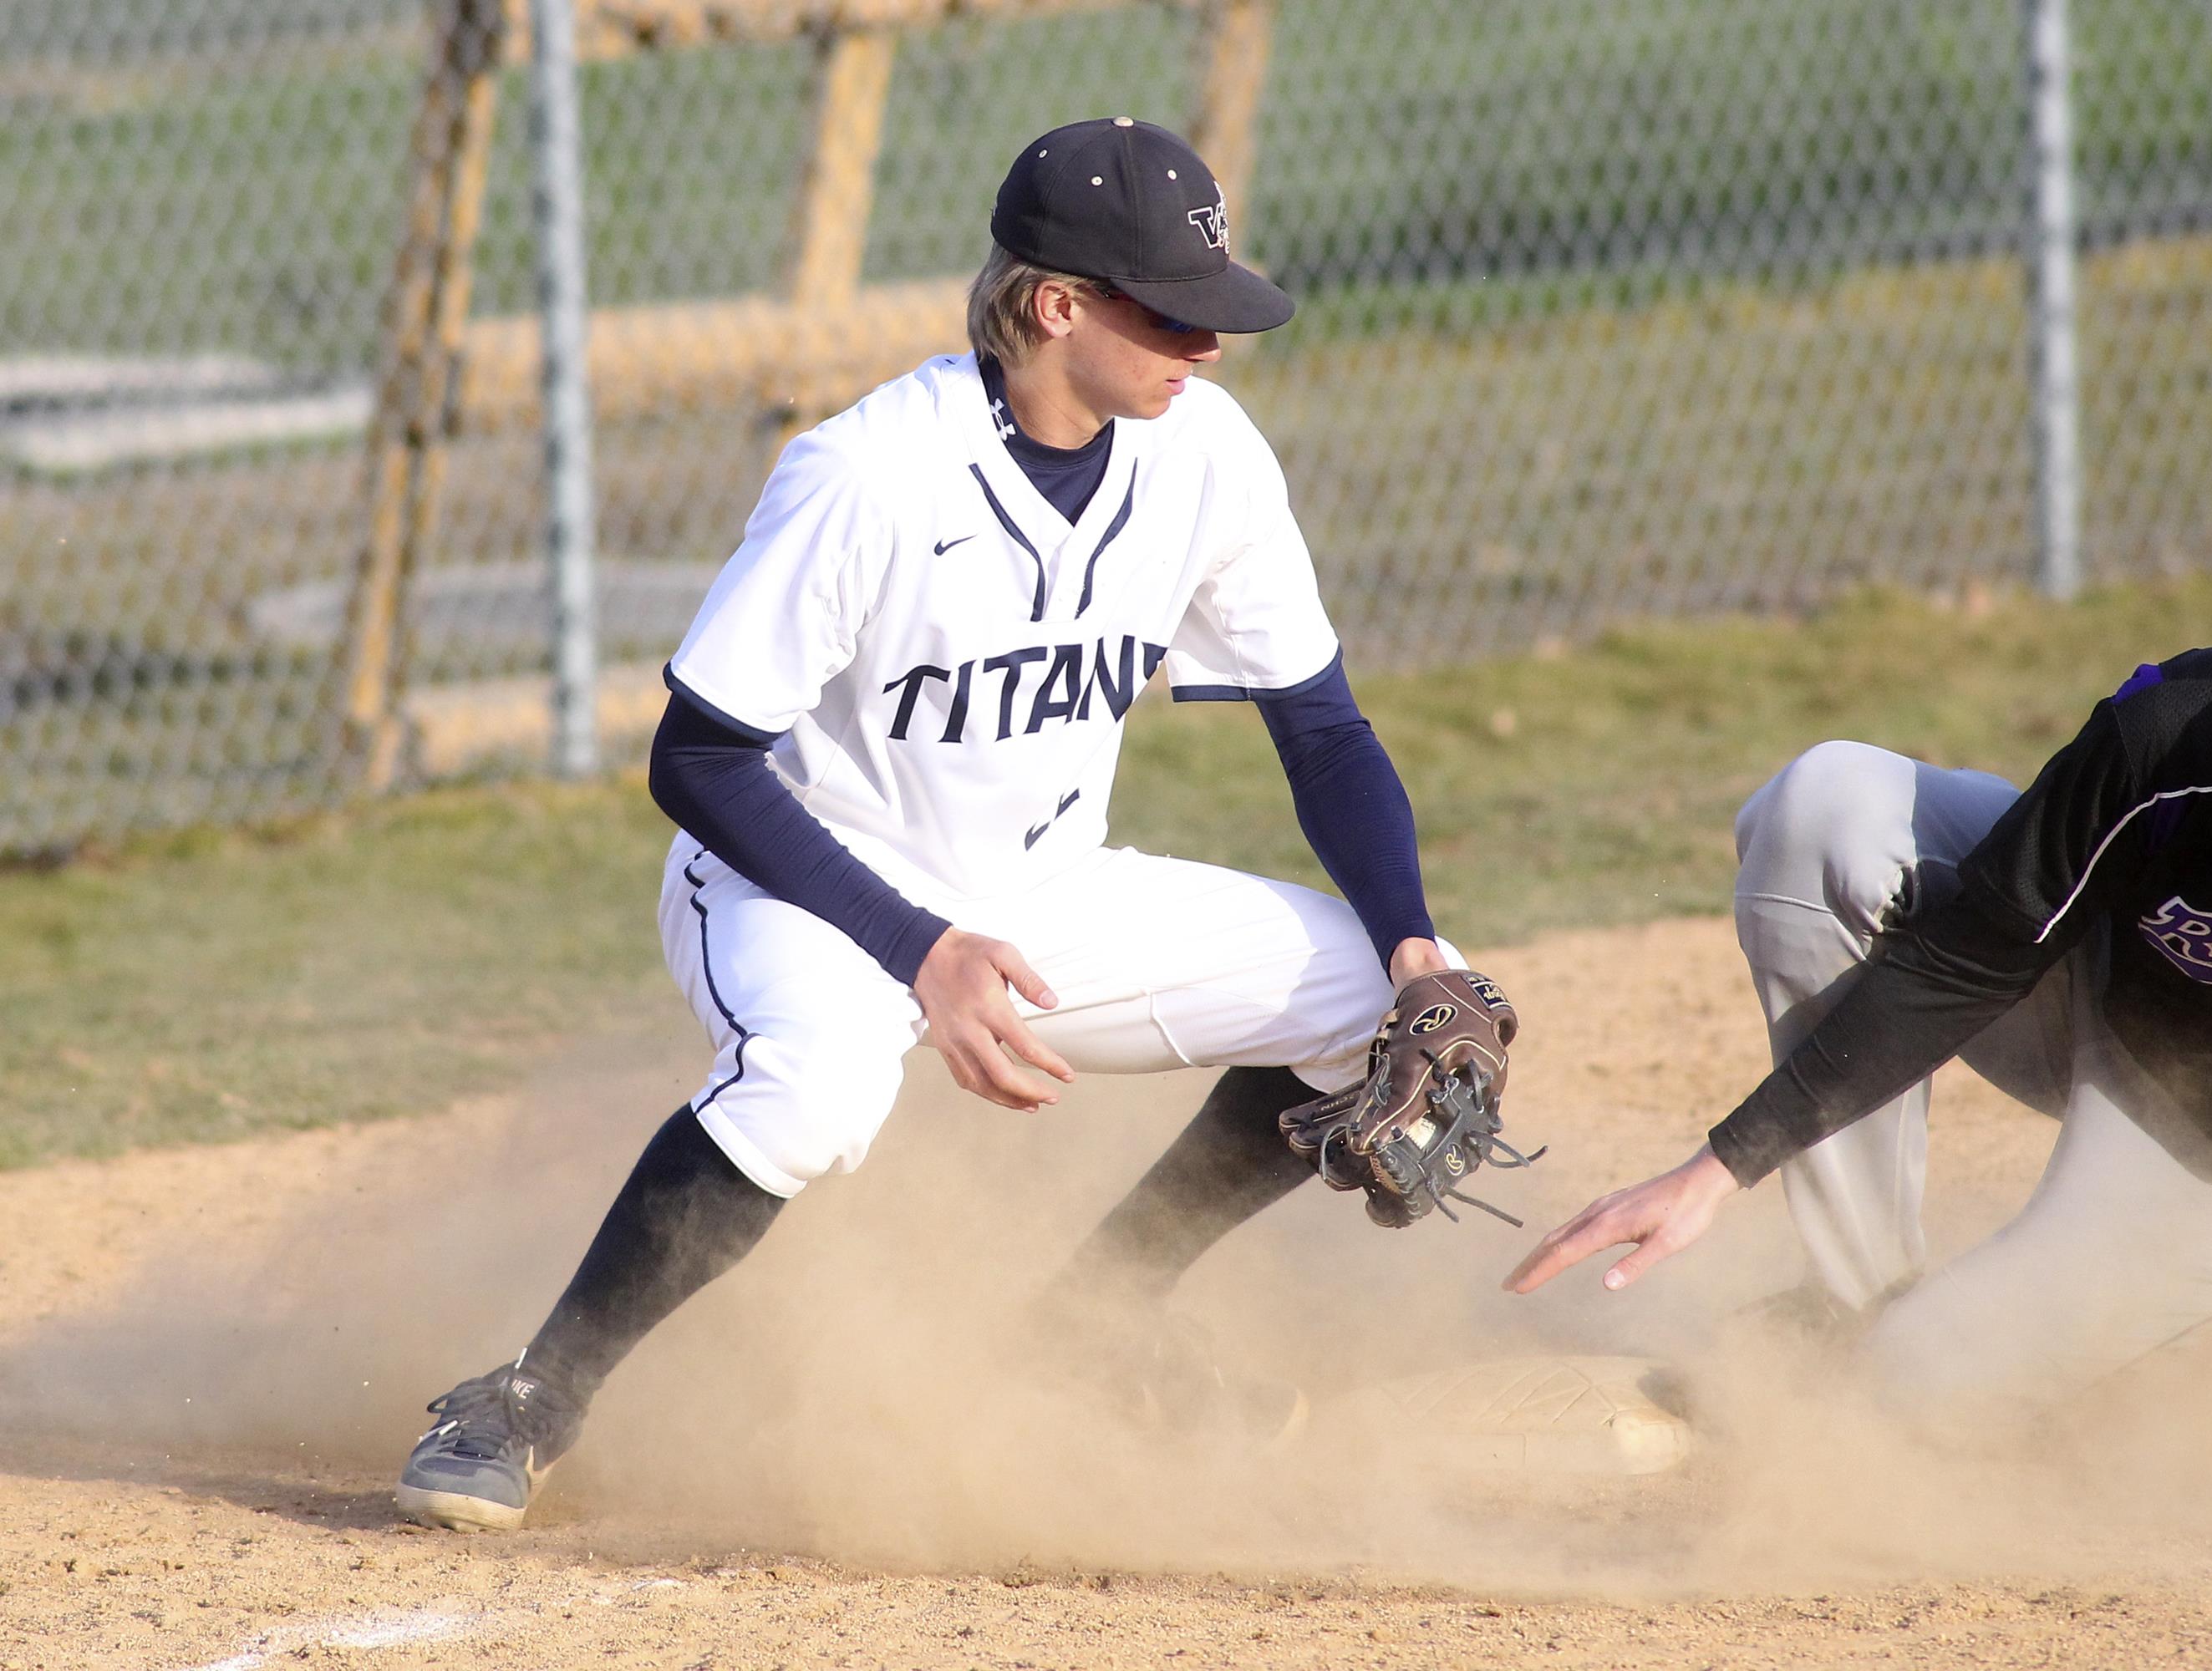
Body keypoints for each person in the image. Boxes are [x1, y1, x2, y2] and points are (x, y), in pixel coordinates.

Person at [394, 117, 1482, 1531]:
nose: (1207, 347)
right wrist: (920, 950)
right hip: (802, 884)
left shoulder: (1207, 457)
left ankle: (1095, 1317)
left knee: (1366, 1003)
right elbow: (700, 760)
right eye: (1173, 315)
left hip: (1035, 896)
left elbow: (1324, 728)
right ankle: (531, 1399)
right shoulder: (867, 476)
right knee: (819, 1085)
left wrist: (1412, 947)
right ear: (1056, 306)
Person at [1508, 612, 2212, 1417]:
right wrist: (1721, 1164)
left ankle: (1991, 1348)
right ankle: (1853, 1293)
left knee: (1913, 1385)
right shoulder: (2191, 735)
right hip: (2096, 989)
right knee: (1826, 812)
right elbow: (1975, 953)